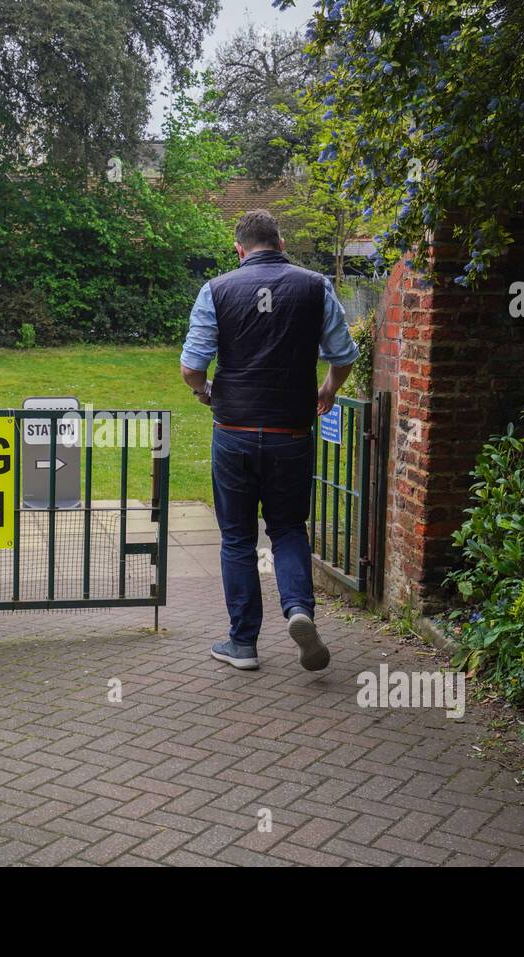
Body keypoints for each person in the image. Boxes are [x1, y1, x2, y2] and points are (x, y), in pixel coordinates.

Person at [179, 210, 360, 672]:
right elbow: (343, 355)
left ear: (239, 250)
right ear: (280, 243)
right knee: (287, 528)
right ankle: (299, 610)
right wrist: (328, 390)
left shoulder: (216, 290)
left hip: (234, 431)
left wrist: (205, 393)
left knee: (237, 537)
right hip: (291, 432)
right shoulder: (315, 285)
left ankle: (242, 644)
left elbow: (192, 366)